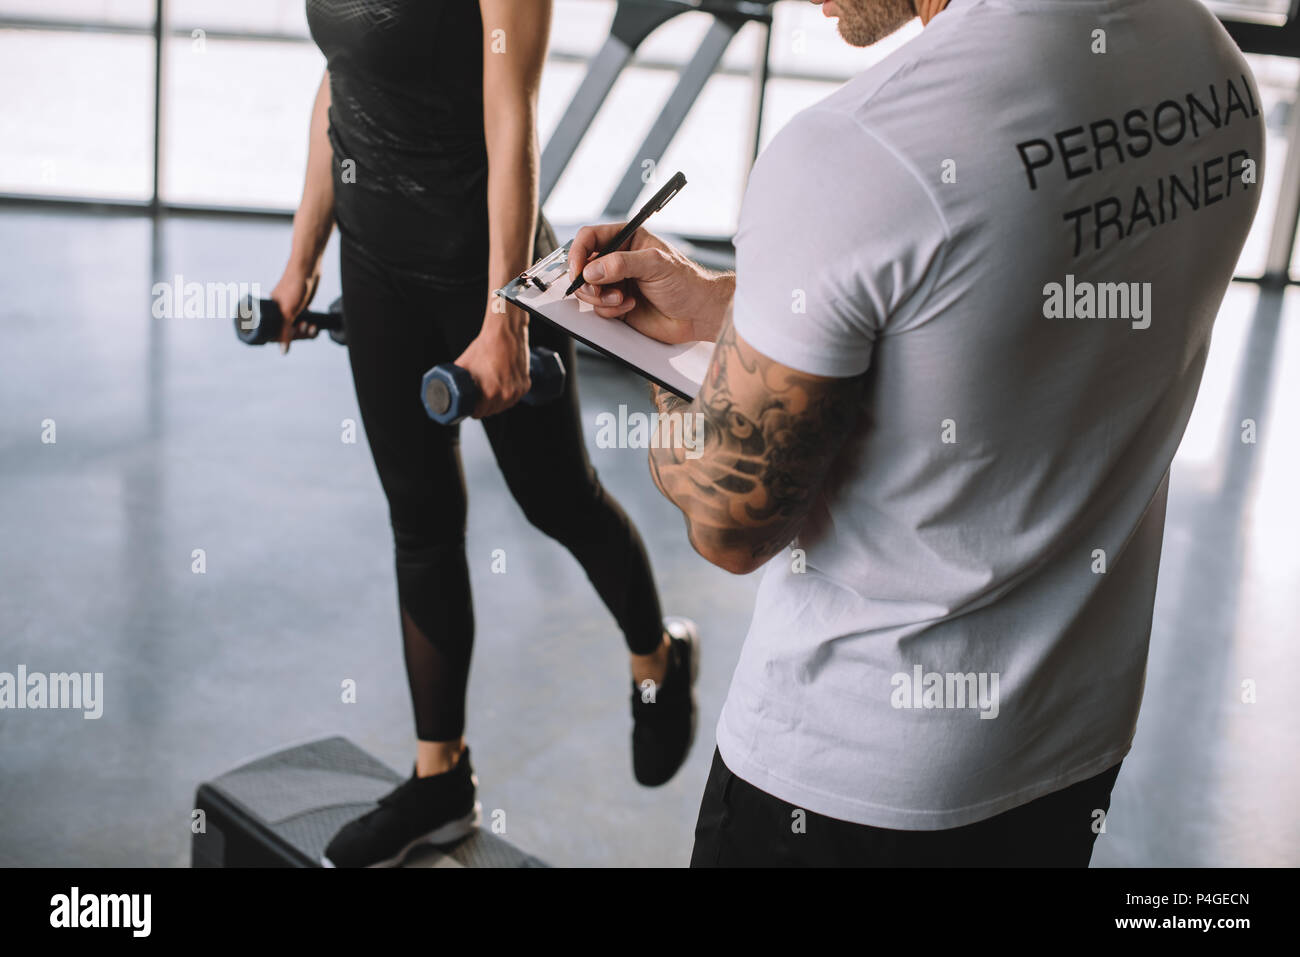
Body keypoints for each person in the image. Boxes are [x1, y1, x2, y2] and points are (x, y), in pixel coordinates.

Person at [568, 0, 1264, 865]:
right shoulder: (1213, 71)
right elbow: (983, 304)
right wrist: (727, 304)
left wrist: (657, 368)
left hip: (851, 780)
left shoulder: (858, 148)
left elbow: (729, 518)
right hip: (1068, 749)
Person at [272, 0, 698, 868]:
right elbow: (340, 80)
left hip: (484, 270)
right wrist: (300, 258)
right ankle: (441, 777)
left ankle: (658, 656)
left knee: (559, 501)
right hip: (377, 264)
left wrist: (505, 317)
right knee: (420, 520)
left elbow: (512, 118)